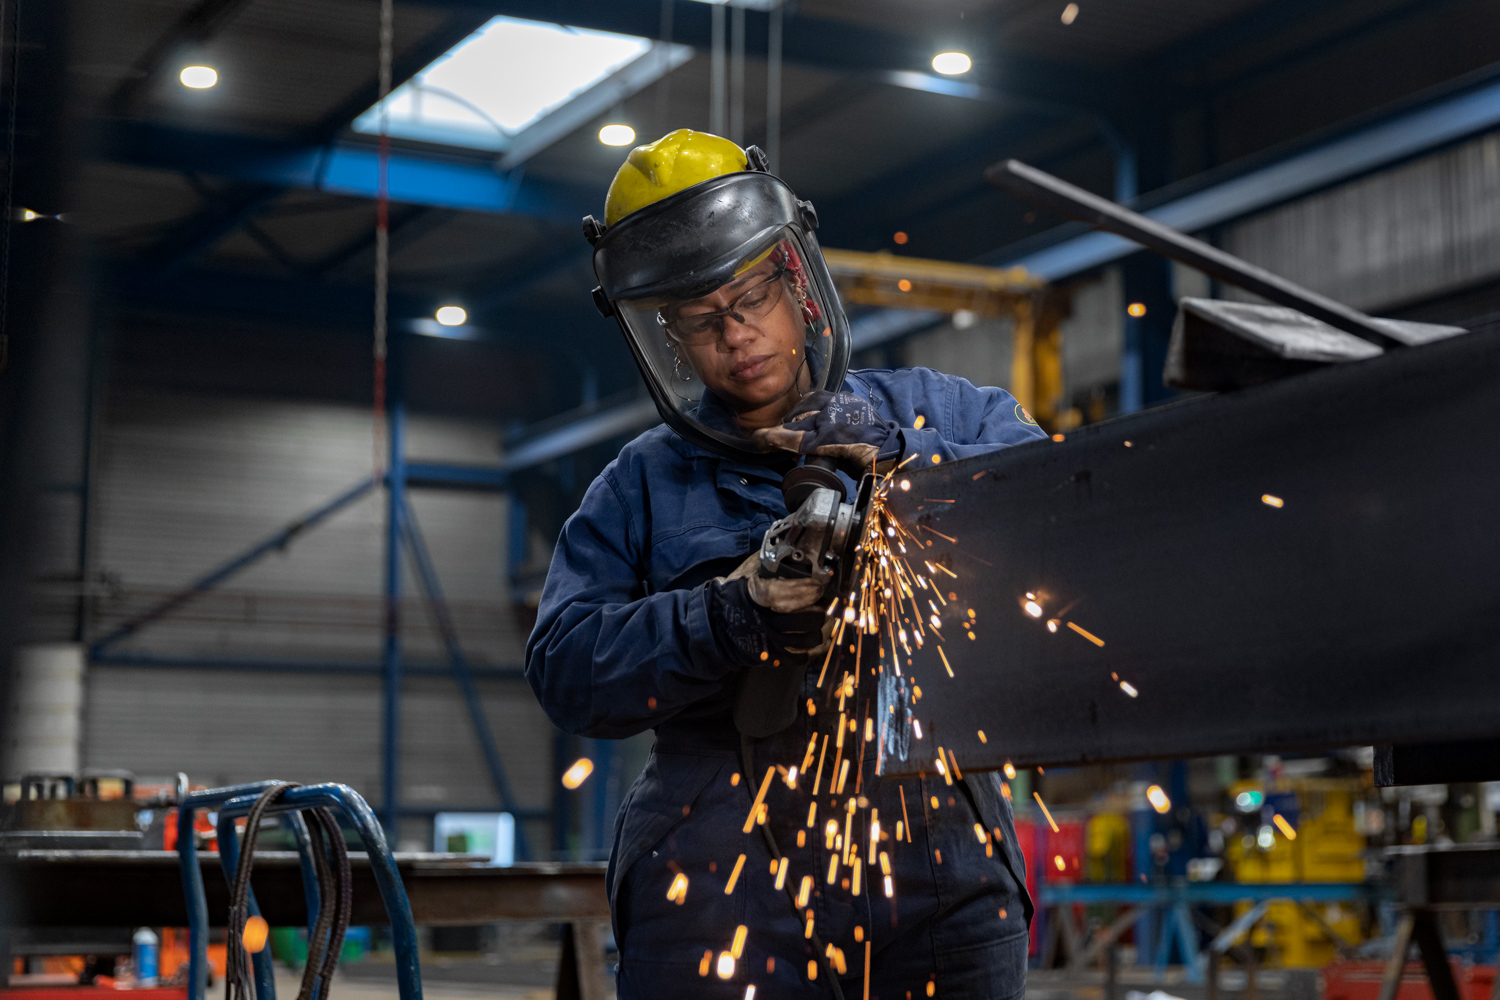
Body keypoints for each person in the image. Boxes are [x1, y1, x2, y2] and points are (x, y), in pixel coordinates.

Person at [527, 130, 1047, 999]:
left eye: (750, 297)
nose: (736, 337)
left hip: (933, 863)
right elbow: (567, 671)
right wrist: (727, 612)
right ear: (668, 337)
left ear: (796, 282)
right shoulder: (643, 484)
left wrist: (898, 470)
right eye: (700, 321)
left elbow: (1052, 511)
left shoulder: (936, 413)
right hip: (716, 880)